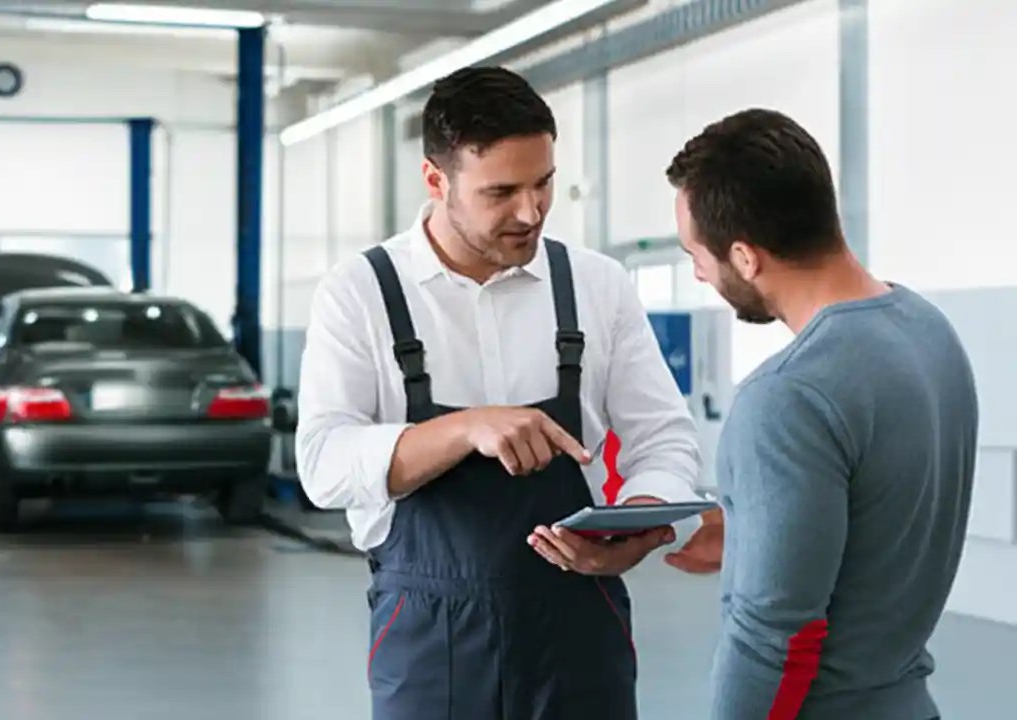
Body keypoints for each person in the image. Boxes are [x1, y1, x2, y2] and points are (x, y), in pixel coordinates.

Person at [295, 65, 714, 720]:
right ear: (437, 181)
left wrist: (646, 518)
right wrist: (465, 428)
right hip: (429, 638)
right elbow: (323, 465)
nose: (531, 211)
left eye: (543, 183)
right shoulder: (361, 294)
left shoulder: (596, 287)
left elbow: (664, 439)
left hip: (581, 629)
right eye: (501, 192)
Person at [664, 108, 977, 720]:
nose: (699, 272)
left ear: (746, 257)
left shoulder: (786, 397)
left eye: (696, 255)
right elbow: (882, 519)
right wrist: (756, 531)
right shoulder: (930, 332)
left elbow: (774, 636)